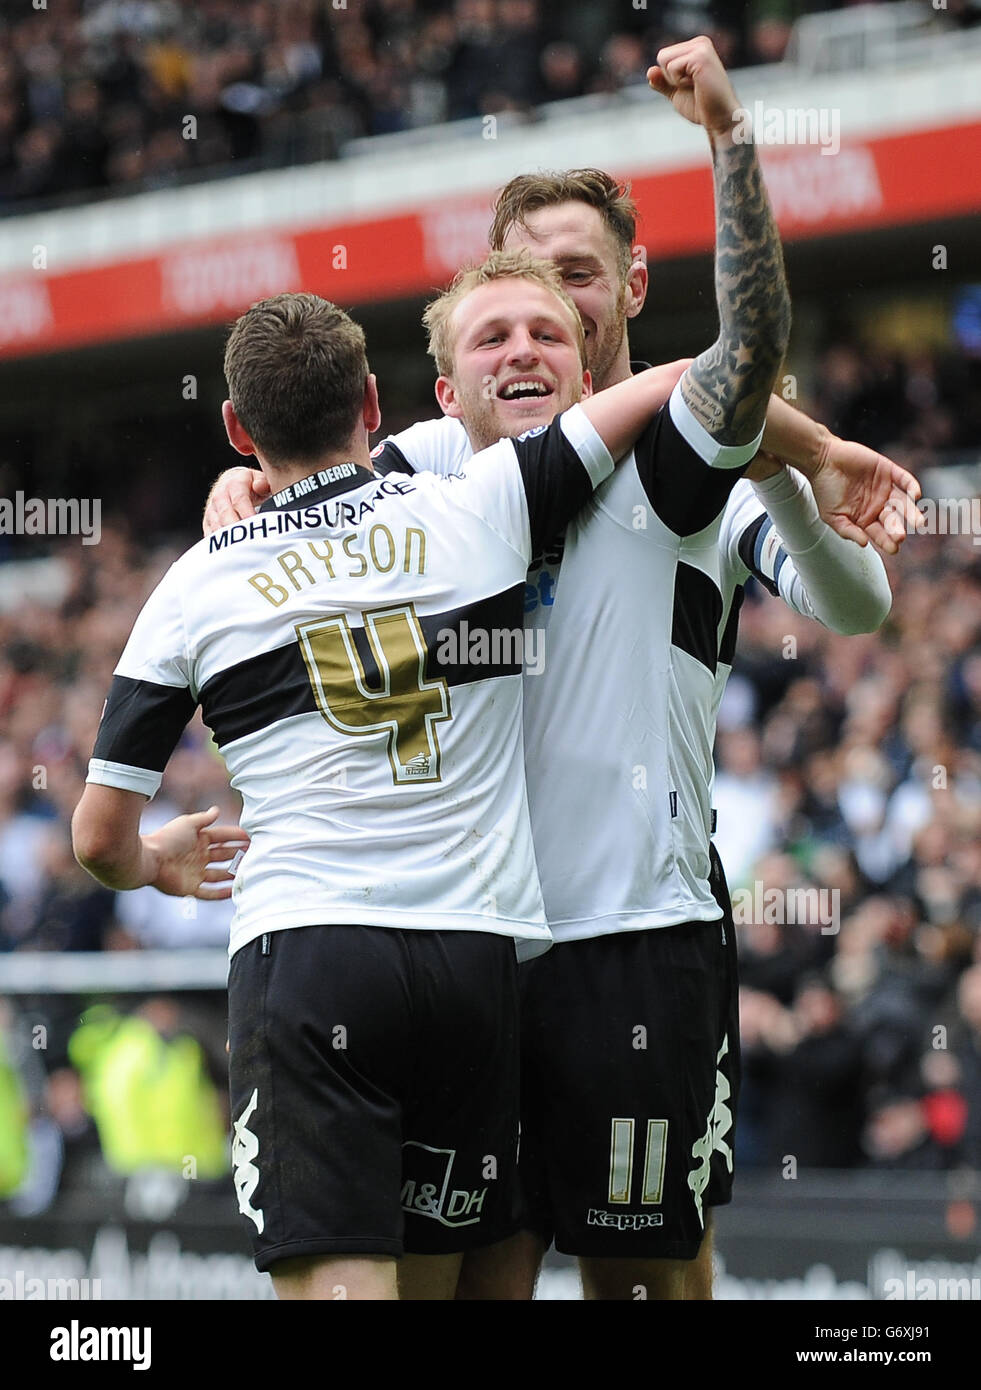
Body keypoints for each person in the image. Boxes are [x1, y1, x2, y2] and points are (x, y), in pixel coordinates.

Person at [202, 39, 921, 1298]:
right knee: (479, 1274)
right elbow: (289, 491)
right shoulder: (427, 471)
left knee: (646, 1278)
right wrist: (240, 490)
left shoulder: (687, 459)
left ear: (626, 293)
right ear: (449, 363)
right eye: (516, 302)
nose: (554, 318)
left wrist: (802, 459)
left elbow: (823, 545)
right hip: (470, 950)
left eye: (576, 286)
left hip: (637, 934)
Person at [72, 271, 749, 1300]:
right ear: (376, 409)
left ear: (237, 431)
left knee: (340, 1282)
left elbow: (98, 836)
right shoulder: (484, 503)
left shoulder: (196, 583)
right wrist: (815, 450)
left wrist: (154, 864)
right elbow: (670, 383)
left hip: (310, 956)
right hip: (474, 967)